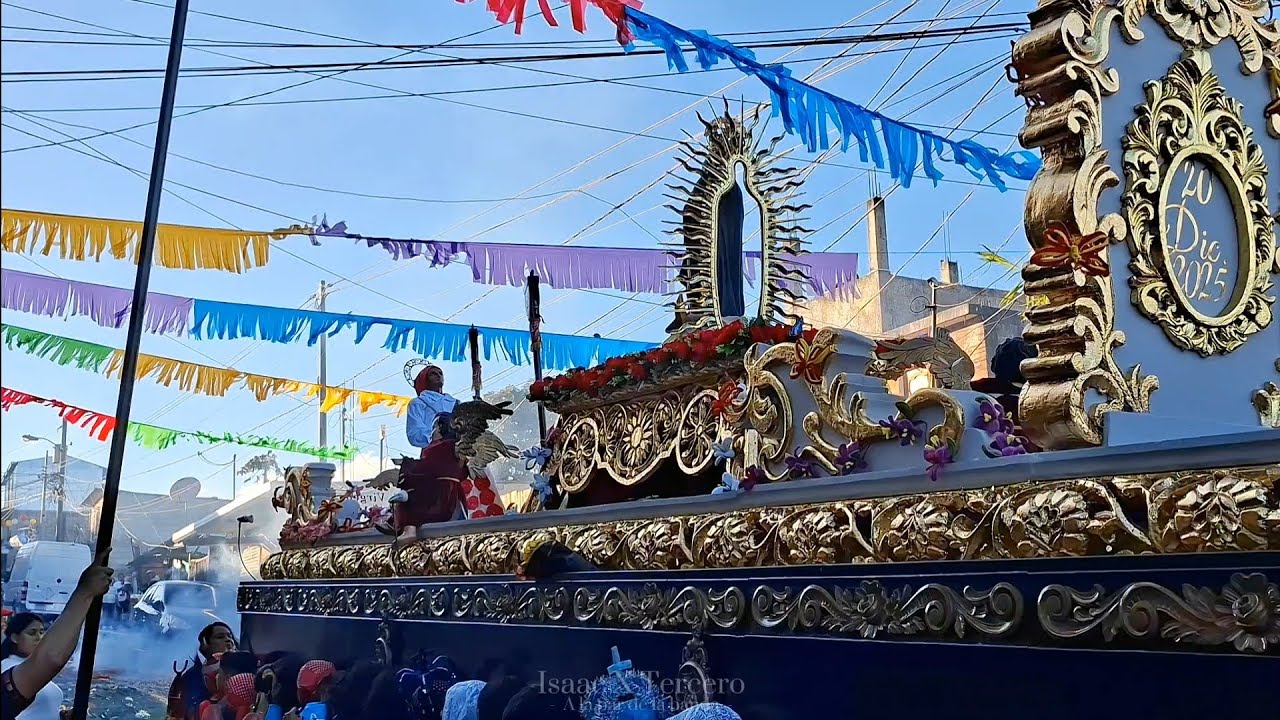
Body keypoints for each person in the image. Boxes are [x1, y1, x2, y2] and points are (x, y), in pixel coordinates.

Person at [1, 553, 113, 720]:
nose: (3, 625)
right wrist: (85, 593)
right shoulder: (6, 666)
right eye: (32, 633)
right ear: (14, 637)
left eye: (41, 632)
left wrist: (61, 716)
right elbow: (52, 657)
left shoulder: (18, 667)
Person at [173, 622, 237, 720]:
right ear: (206, 643)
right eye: (220, 637)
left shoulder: (244, 670)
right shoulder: (191, 677)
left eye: (230, 636)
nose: (228, 640)